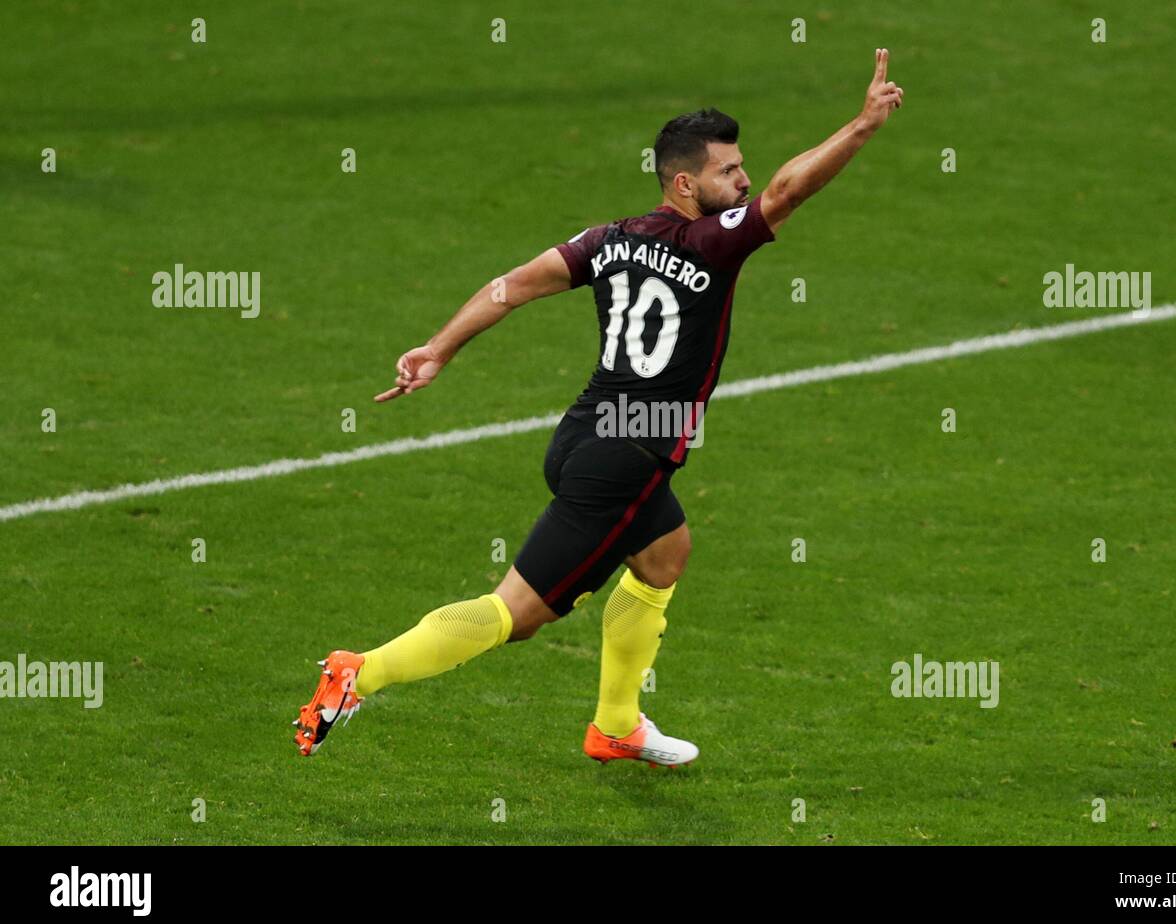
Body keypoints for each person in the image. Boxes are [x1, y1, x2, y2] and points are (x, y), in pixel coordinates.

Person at [294, 49, 904, 766]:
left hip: (584, 434)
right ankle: (360, 671)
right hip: (628, 456)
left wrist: (439, 348)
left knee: (664, 555)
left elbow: (510, 287)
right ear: (685, 183)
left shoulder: (608, 240)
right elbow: (791, 190)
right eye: (729, 171)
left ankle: (616, 726)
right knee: (515, 615)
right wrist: (862, 126)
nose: (744, 181)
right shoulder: (713, 243)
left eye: (743, 168)